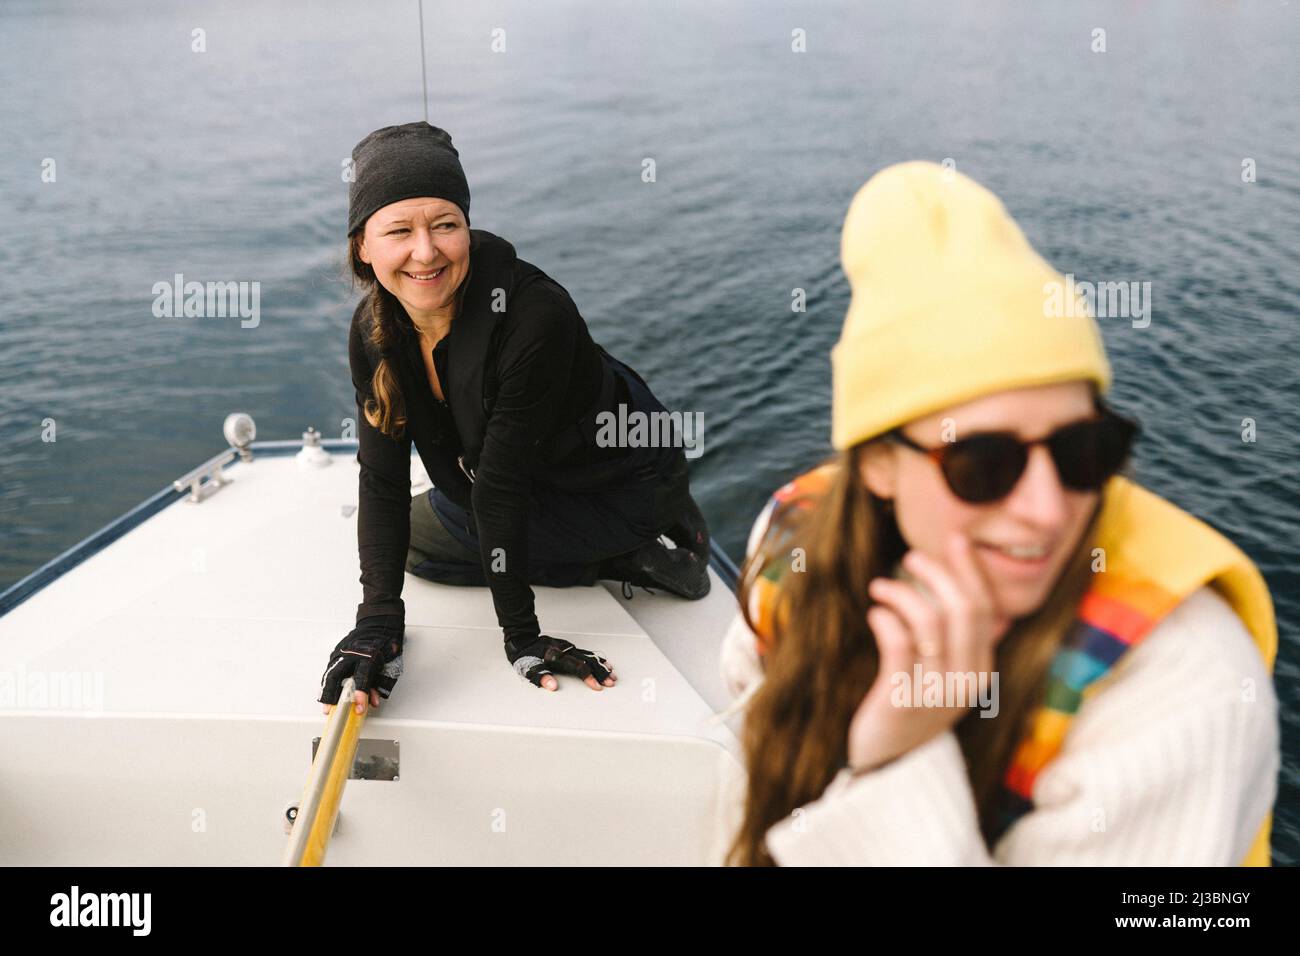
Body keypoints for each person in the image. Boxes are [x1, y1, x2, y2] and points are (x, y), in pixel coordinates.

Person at [721, 161, 1279, 866]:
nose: (1046, 511)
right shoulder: (787, 552)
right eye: (984, 466)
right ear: (878, 464)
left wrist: (900, 764)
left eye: (1083, 451)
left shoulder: (1182, 683)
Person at [319, 122, 710, 714]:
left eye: (445, 225)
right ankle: (599, 554)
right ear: (362, 247)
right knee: (413, 551)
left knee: (435, 539)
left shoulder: (532, 315)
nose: (425, 251)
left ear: (467, 231)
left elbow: (498, 489)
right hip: (527, 482)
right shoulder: (375, 331)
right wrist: (377, 625)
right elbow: (381, 479)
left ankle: (627, 548)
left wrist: (522, 639)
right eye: (399, 230)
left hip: (616, 484)